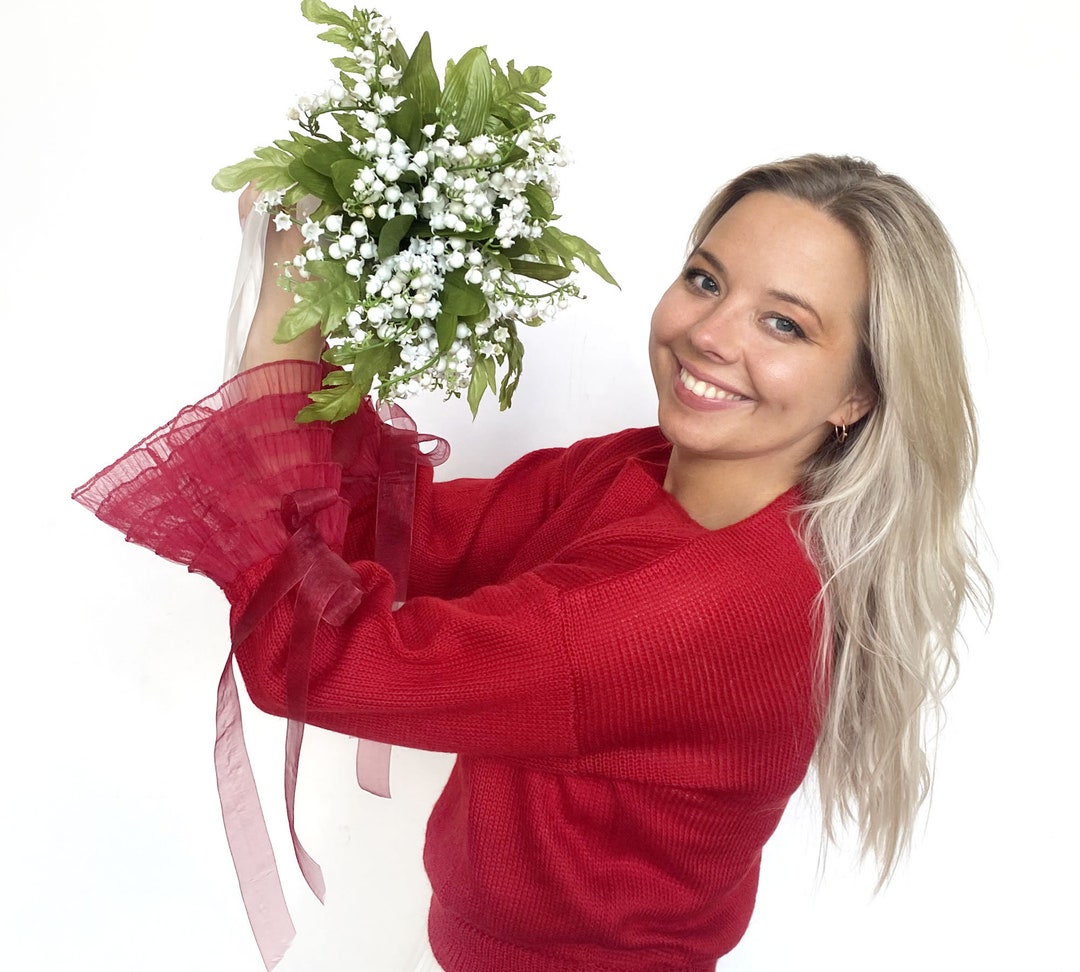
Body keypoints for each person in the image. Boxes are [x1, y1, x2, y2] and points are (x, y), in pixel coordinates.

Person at [74, 153, 987, 972]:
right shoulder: (636, 472)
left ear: (858, 393)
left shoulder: (691, 612)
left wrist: (284, 299)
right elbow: (387, 530)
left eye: (784, 325)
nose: (712, 334)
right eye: (706, 280)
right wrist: (326, 291)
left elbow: (316, 660)